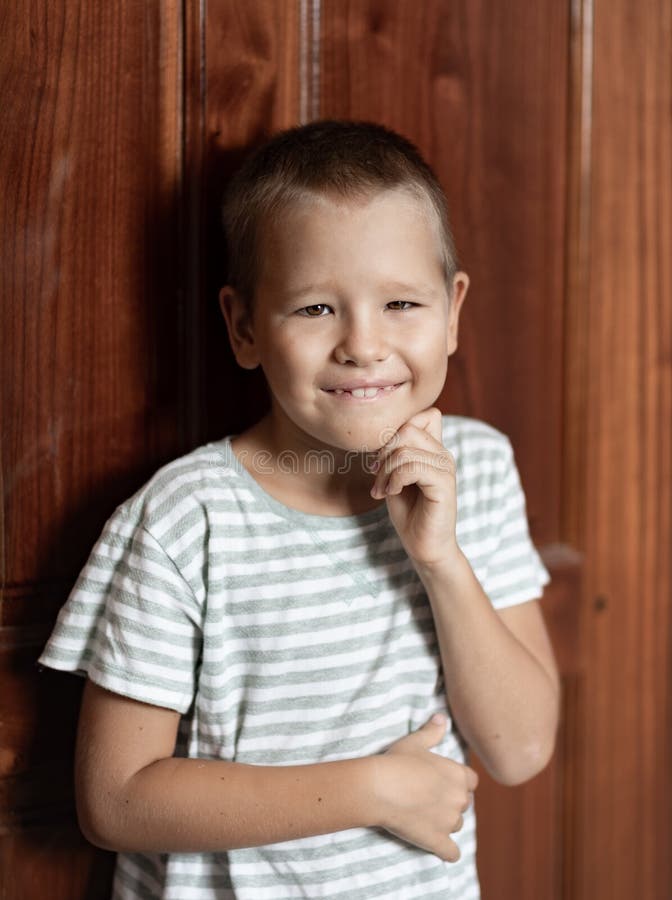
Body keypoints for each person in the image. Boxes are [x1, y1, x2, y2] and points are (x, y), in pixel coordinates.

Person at [39, 120, 560, 900]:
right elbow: (114, 801)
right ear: (245, 326)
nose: (363, 344)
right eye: (316, 309)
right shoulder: (187, 517)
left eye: (401, 303)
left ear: (452, 312)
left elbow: (520, 750)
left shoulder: (477, 469)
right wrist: (373, 790)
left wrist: (441, 560)